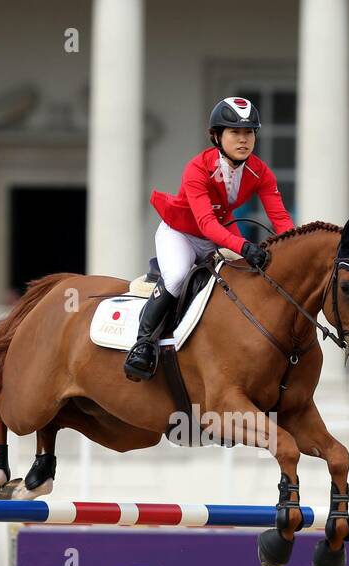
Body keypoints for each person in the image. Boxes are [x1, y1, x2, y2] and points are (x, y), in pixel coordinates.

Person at [125, 96, 296, 381]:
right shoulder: (198, 168)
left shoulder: (260, 171)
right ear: (217, 136)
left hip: (220, 234)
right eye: (235, 132)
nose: (244, 140)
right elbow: (206, 224)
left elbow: (280, 218)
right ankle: (142, 345)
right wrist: (245, 246)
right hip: (180, 232)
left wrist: (294, 247)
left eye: (249, 132)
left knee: (249, 280)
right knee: (177, 276)